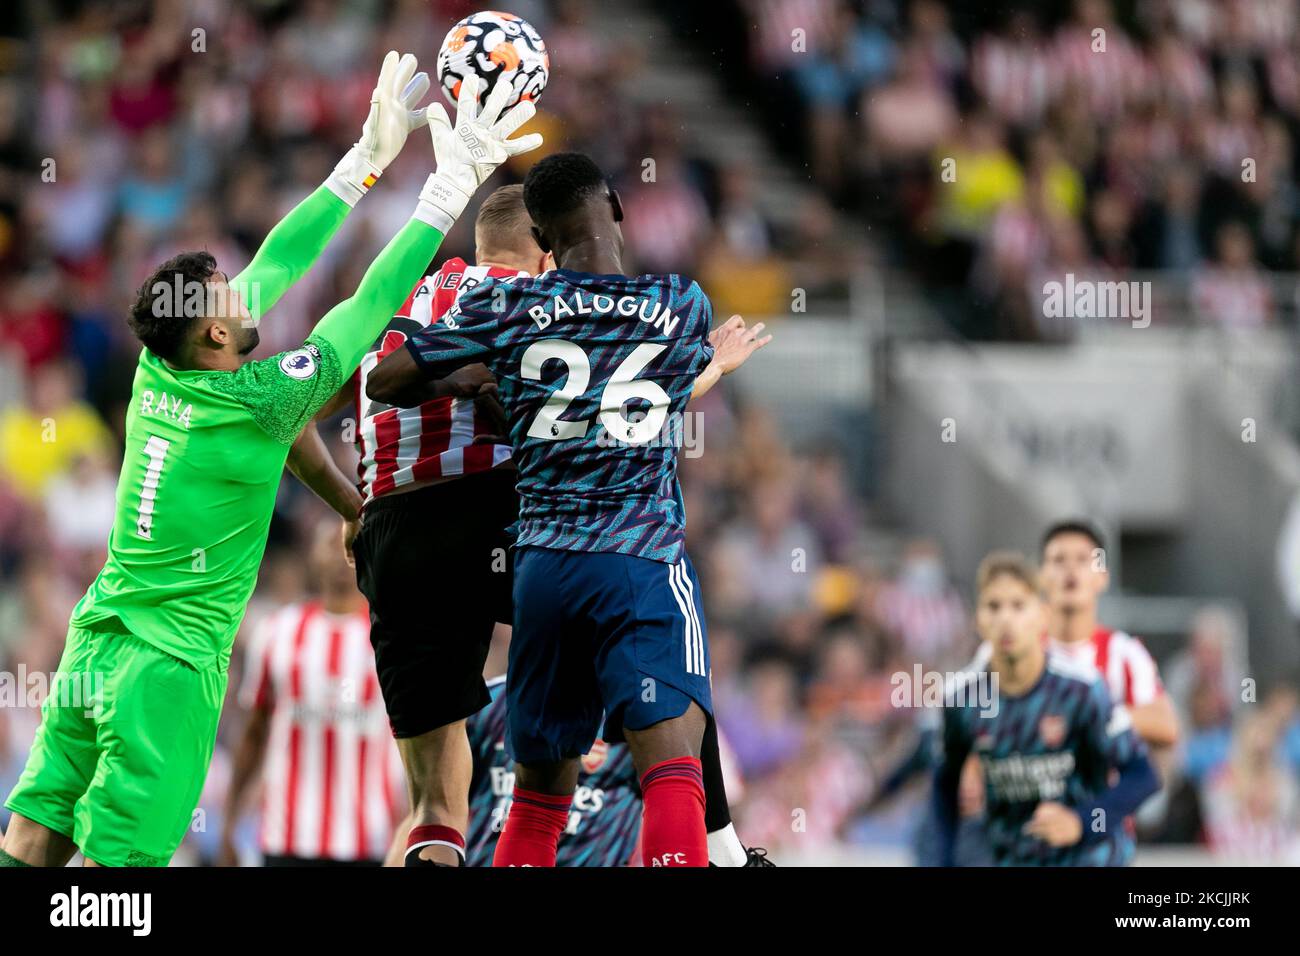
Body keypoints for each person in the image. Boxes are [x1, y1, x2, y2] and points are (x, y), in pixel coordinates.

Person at [0, 55, 541, 867]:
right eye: (230, 293)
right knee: (118, 873)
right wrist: (445, 189)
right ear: (216, 333)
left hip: (96, 638)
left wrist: (362, 163)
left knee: (36, 829)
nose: (247, 289)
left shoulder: (160, 371)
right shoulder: (263, 399)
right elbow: (364, 308)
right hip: (167, 667)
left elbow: (282, 262)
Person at [368, 151, 771, 866]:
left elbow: (389, 379)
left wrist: (471, 380)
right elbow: (653, 397)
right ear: (615, 207)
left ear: (545, 243)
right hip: (639, 559)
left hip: (544, 569)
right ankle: (724, 848)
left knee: (537, 795)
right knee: (672, 764)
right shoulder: (679, 303)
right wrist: (714, 367)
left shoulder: (513, 308)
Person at [933, 551, 1159, 866]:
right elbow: (944, 785)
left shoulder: (1081, 689)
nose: (1005, 619)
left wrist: (1082, 821)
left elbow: (1143, 775)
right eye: (993, 606)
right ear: (978, 618)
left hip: (1089, 858)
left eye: (1018, 605)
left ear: (1042, 615)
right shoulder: (962, 697)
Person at [218, 520, 404, 867]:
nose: (339, 556)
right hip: (287, 839)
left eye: (347, 545)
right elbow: (254, 735)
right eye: (329, 544)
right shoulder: (277, 632)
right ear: (311, 556)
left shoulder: (392, 641)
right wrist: (230, 821)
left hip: (369, 842)